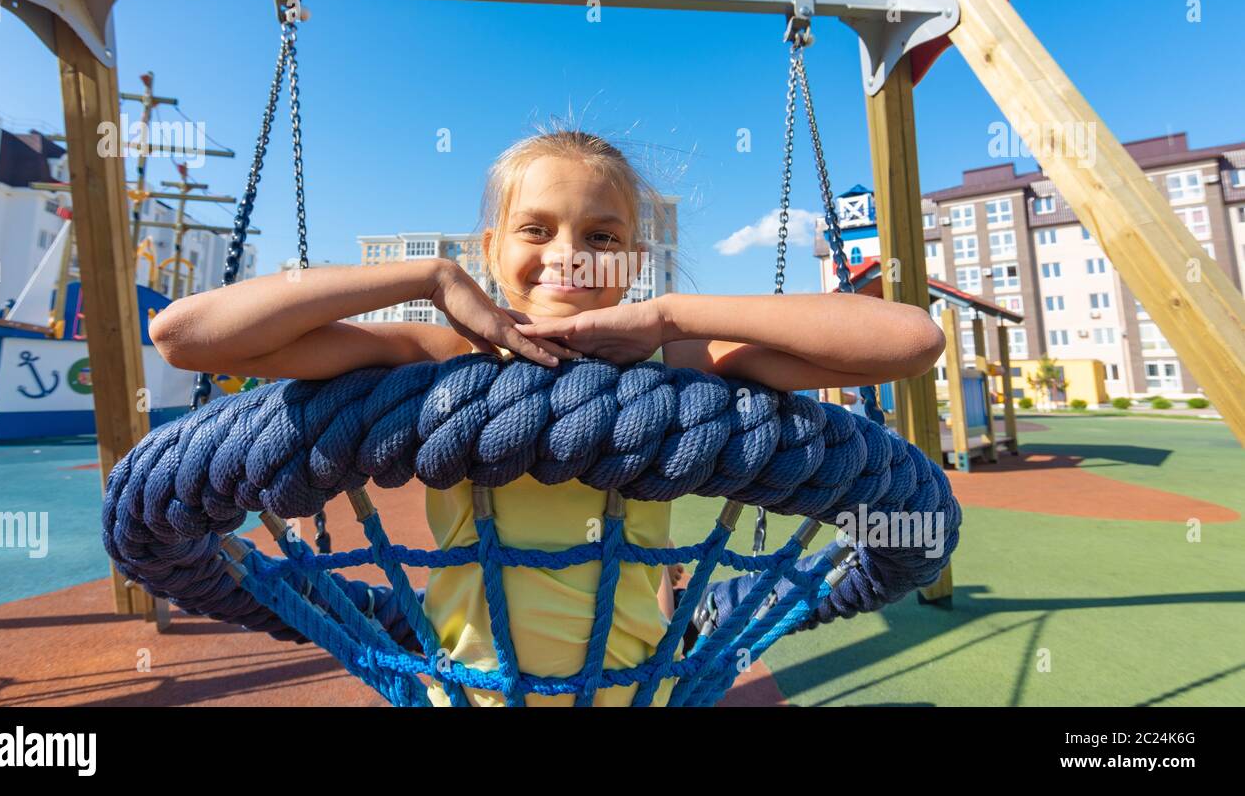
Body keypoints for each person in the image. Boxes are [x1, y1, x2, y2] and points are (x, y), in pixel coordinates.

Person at [148, 125, 945, 706]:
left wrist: (668, 316)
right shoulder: (440, 355)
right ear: (492, 249)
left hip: (637, 691)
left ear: (633, 259)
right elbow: (186, 334)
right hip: (468, 693)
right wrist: (425, 275)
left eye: (602, 235)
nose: (568, 253)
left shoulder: (670, 361)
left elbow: (909, 340)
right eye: (537, 229)